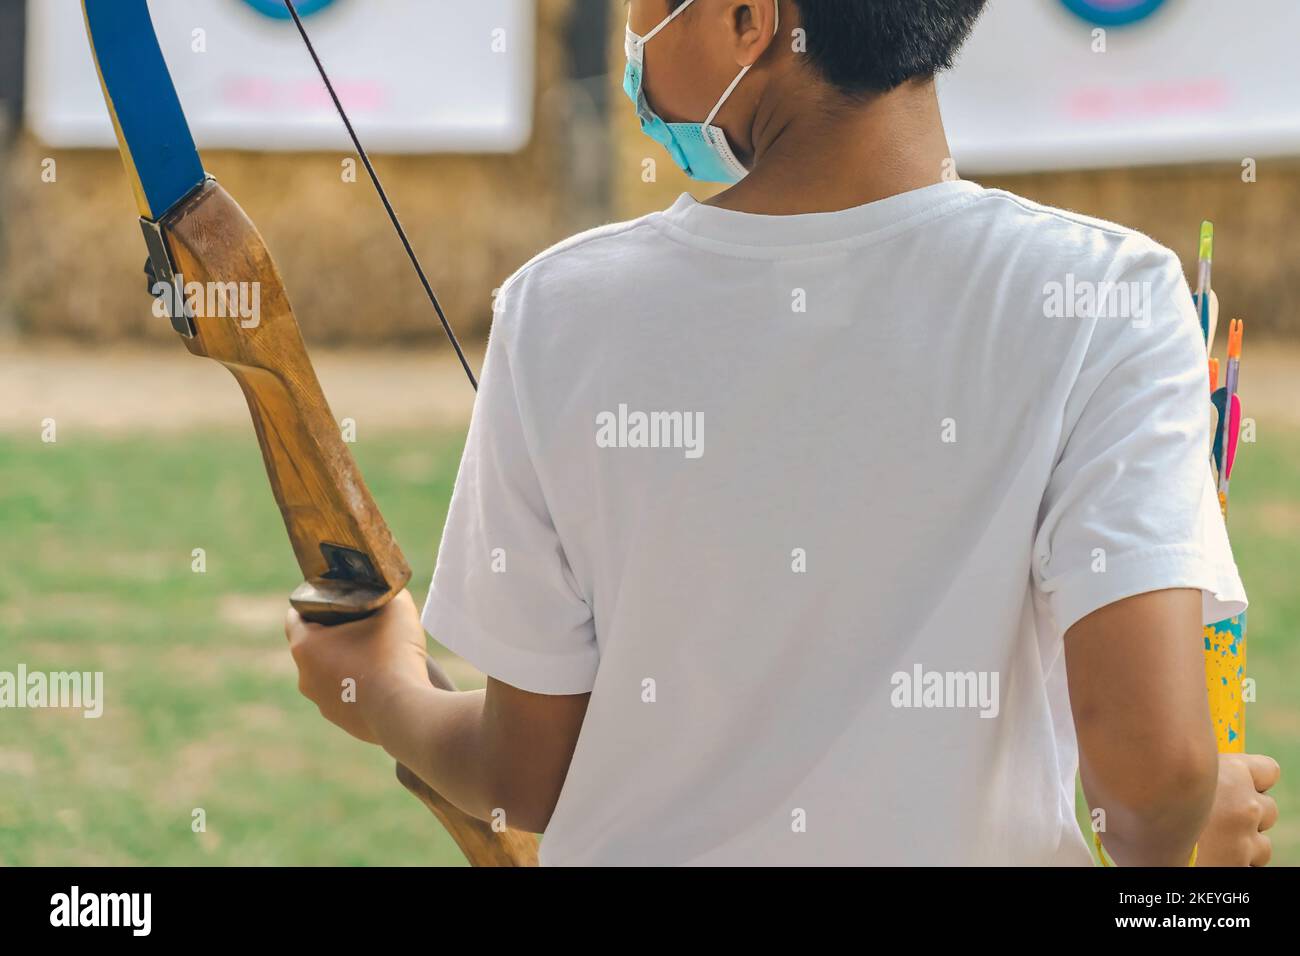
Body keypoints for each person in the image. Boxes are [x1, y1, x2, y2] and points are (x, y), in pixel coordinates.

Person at [286, 0, 1278, 865]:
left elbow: (518, 775)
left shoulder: (562, 309)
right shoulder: (1107, 294)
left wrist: (379, 689)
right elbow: (1152, 779)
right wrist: (1184, 860)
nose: (632, 36)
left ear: (746, 19)